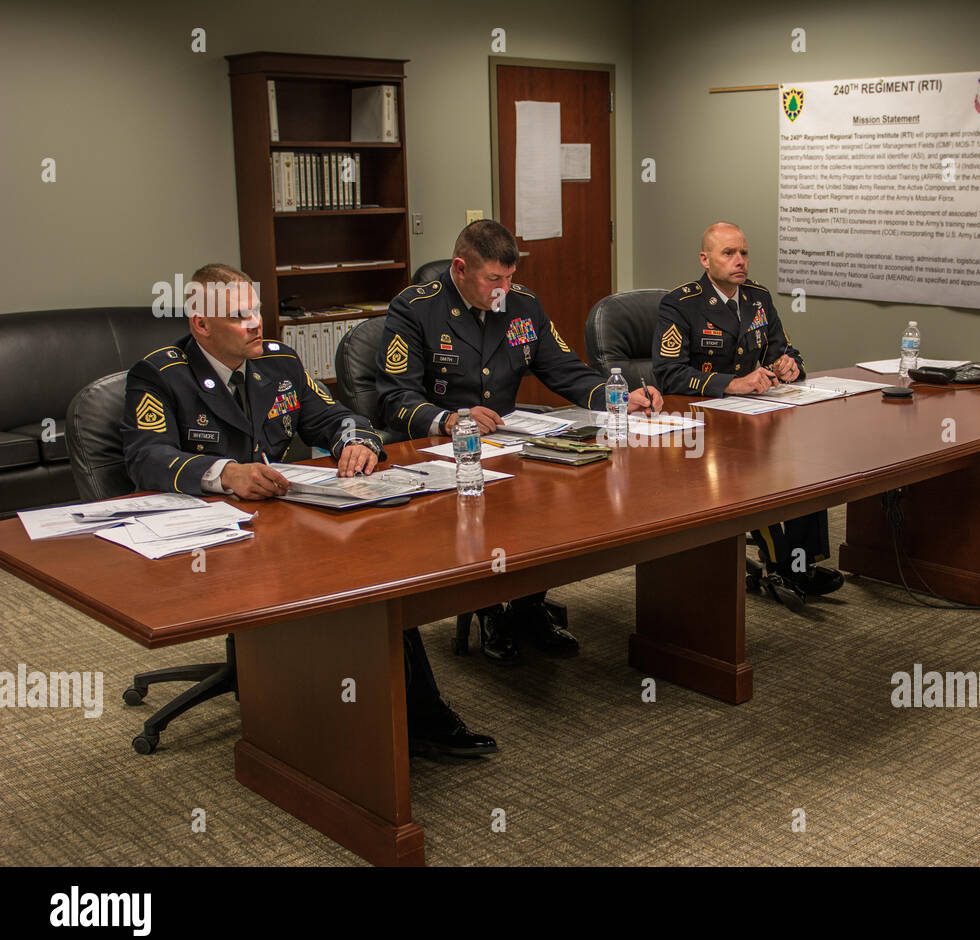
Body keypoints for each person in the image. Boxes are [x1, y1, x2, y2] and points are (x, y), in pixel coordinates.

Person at [122, 263, 497, 760]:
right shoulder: (160, 373)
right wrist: (223, 472)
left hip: (278, 525)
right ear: (202, 325)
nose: (256, 324)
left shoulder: (278, 363)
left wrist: (355, 443)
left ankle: (412, 717)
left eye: (255, 311)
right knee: (348, 584)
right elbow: (145, 458)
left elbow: (336, 415)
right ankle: (362, 722)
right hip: (204, 541)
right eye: (239, 316)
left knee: (377, 567)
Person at [375, 220, 663, 662]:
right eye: (494, 279)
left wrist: (617, 396)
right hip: (441, 451)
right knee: (485, 511)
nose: (503, 290)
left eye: (510, 278)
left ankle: (527, 605)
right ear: (459, 269)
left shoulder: (522, 305)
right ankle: (489, 609)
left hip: (508, 445)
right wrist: (449, 419)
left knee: (562, 491)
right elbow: (393, 398)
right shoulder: (415, 309)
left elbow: (564, 369)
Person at [653, 221, 843, 610]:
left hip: (755, 414)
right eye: (728, 253)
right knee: (750, 474)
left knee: (808, 466)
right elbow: (669, 373)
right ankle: (780, 567)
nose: (739, 261)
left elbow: (782, 349)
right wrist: (732, 383)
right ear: (705, 260)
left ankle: (801, 564)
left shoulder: (757, 297)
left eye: (743, 253)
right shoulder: (680, 304)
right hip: (700, 422)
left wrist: (791, 366)